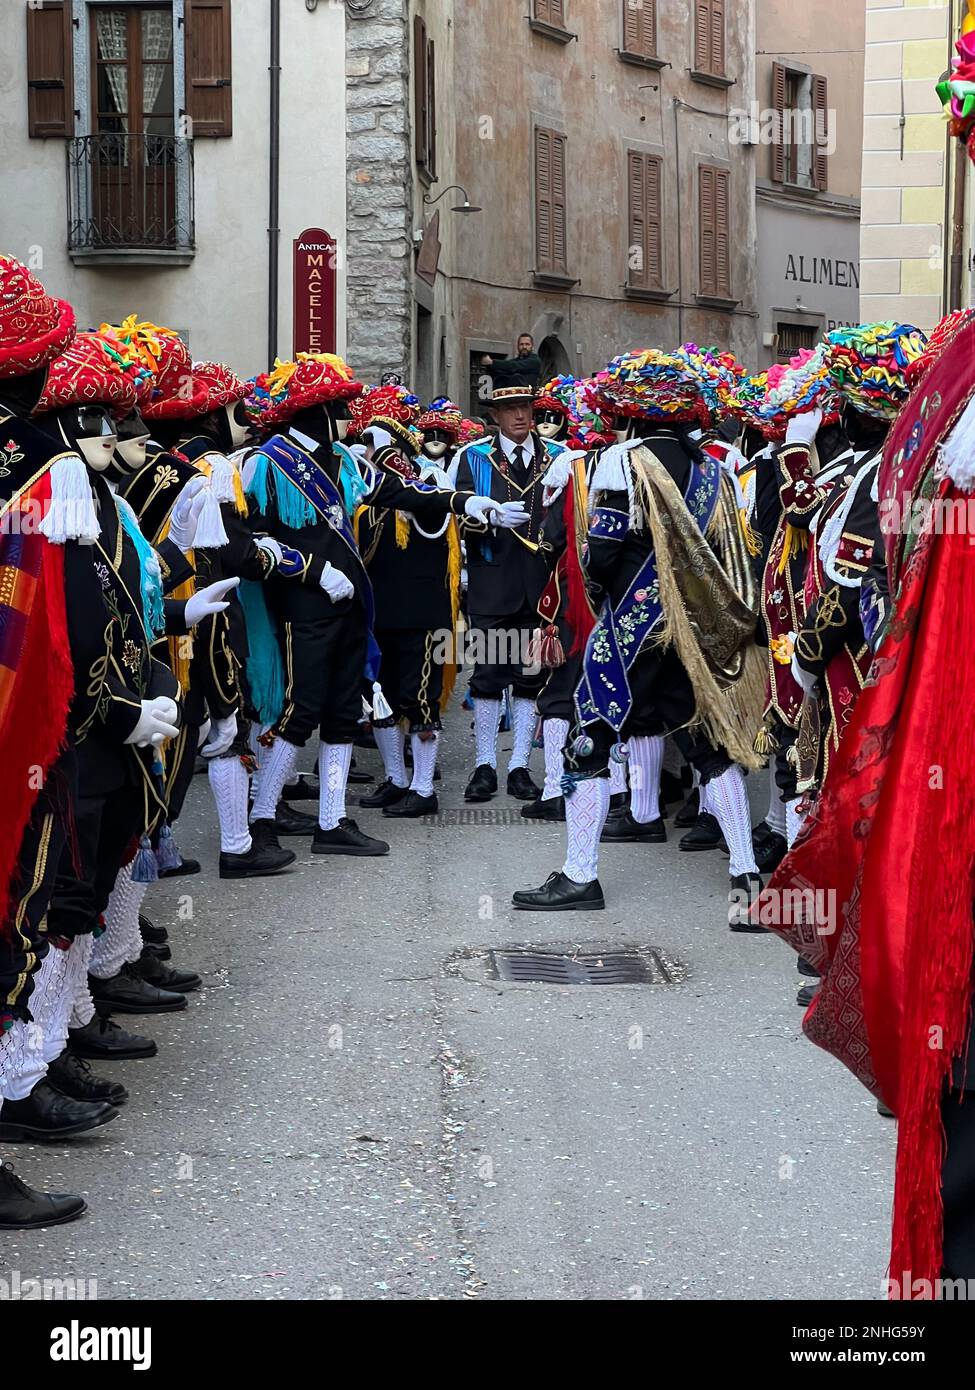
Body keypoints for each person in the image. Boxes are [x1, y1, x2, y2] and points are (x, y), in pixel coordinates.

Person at [759, 308, 974, 1293]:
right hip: (900, 688)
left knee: (851, 812)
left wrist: (805, 661)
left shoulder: (881, 475)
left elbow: (841, 587)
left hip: (876, 683)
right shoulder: (886, 473)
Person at [241, 352, 528, 858]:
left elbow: (406, 493)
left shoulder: (348, 461)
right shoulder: (266, 464)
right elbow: (252, 544)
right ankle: (261, 819)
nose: (352, 419)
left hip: (350, 606)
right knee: (298, 712)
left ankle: (332, 821)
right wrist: (312, 571)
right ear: (319, 412)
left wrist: (467, 503)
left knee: (339, 712)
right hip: (303, 608)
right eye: (342, 409)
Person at [513, 347, 765, 915]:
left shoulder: (621, 461)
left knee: (589, 738)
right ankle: (746, 876)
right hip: (693, 633)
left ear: (631, 410)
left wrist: (609, 599)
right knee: (707, 745)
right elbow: (727, 556)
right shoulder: (713, 470)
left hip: (631, 625)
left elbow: (599, 551)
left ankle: (580, 875)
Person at [452, 366, 562, 803]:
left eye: (525, 408)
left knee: (531, 677)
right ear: (495, 415)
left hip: (539, 584)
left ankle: (519, 766)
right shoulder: (473, 457)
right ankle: (484, 765)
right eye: (509, 409)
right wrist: (489, 517)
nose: (519, 416)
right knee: (488, 676)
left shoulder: (557, 455)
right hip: (491, 581)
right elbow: (457, 517)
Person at [352, 385, 462, 818]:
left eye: (373, 442)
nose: (366, 450)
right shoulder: (366, 485)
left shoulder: (429, 479)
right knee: (381, 696)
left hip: (421, 611)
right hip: (381, 609)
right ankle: (397, 779)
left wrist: (394, 471)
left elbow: (429, 512)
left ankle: (423, 787)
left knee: (420, 699)